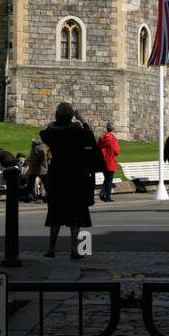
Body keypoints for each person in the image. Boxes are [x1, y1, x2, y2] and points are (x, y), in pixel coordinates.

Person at [39, 102, 97, 259]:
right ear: (72, 115)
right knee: (76, 213)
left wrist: (54, 123)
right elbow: (91, 140)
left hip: (57, 176)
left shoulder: (51, 132)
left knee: (55, 213)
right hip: (75, 176)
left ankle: (51, 249)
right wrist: (82, 120)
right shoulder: (77, 132)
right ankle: (74, 249)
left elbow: (43, 134)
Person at [98, 123, 120, 202]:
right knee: (109, 179)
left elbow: (98, 147)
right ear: (113, 129)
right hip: (110, 160)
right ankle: (107, 196)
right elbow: (116, 151)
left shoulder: (102, 138)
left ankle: (103, 193)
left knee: (106, 178)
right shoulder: (113, 139)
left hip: (102, 160)